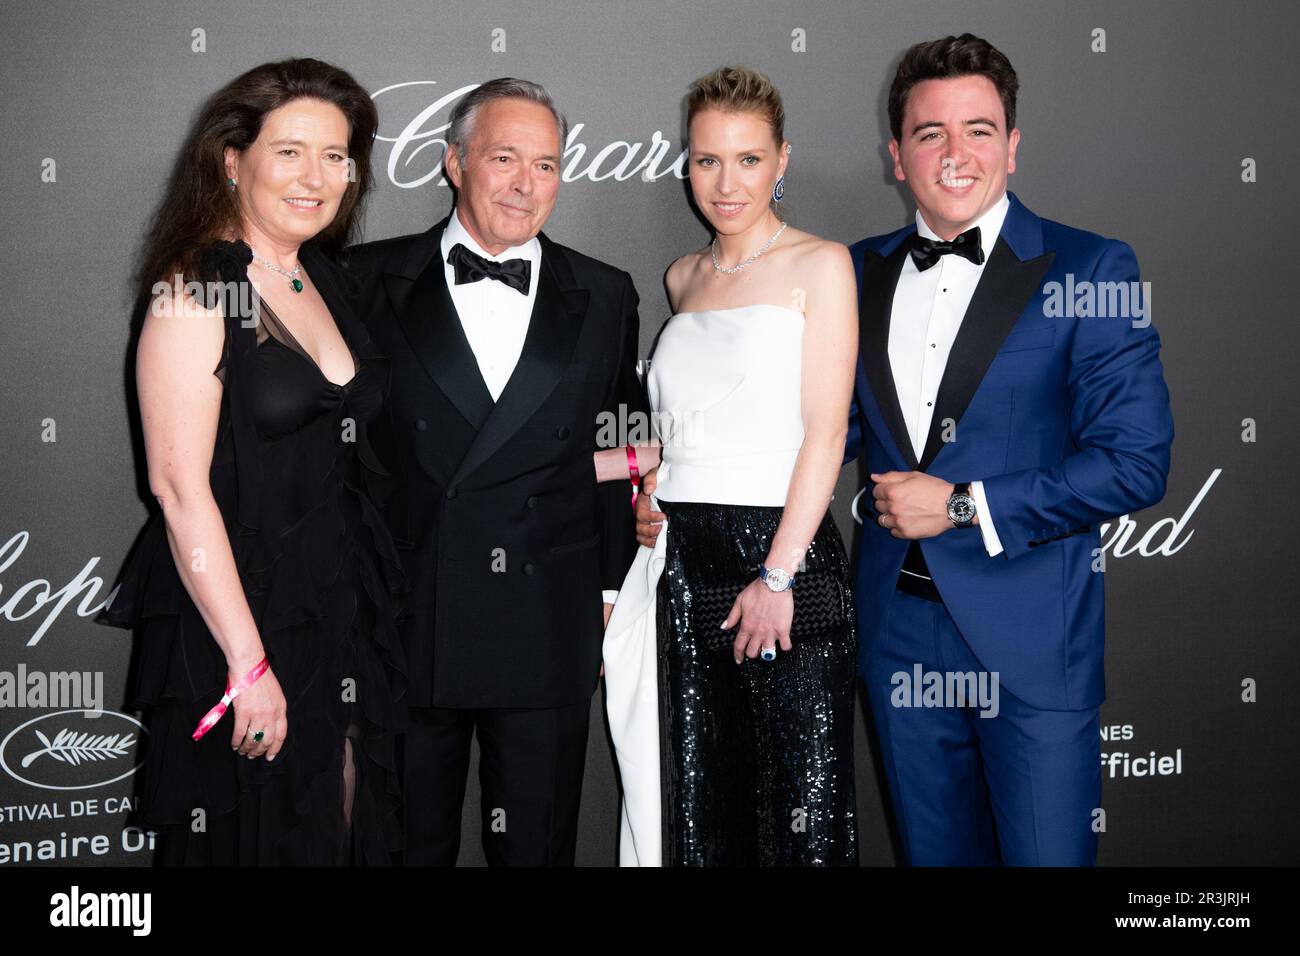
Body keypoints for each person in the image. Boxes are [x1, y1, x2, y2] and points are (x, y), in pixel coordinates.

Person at [845, 35, 1173, 864]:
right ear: (896, 155)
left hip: (1032, 638)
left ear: (1013, 144)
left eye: (979, 130)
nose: (955, 155)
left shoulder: (1092, 265)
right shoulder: (853, 273)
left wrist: (961, 505)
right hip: (897, 636)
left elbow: (1135, 461)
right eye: (930, 133)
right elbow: (821, 434)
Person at [96, 59, 408, 865]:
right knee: (251, 834)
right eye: (291, 151)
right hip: (243, 612)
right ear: (233, 160)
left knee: (336, 826)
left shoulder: (324, 280)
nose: (317, 177)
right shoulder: (193, 289)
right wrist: (247, 662)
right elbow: (176, 486)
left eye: (337, 156)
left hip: (342, 608)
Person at [345, 78, 646, 866]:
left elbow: (621, 446)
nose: (525, 183)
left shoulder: (607, 293)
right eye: (504, 157)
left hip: (546, 620)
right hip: (408, 623)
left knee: (537, 847)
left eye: (545, 165)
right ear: (453, 163)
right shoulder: (363, 281)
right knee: (406, 846)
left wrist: (613, 588)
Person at [600, 66, 860, 866]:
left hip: (782, 554)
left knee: (796, 805)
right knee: (696, 797)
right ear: (686, 165)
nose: (726, 181)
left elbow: (824, 433)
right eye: (707, 159)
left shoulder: (823, 265)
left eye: (748, 159)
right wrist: (631, 484)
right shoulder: (684, 276)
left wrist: (778, 578)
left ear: (782, 161)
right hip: (680, 563)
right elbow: (686, 434)